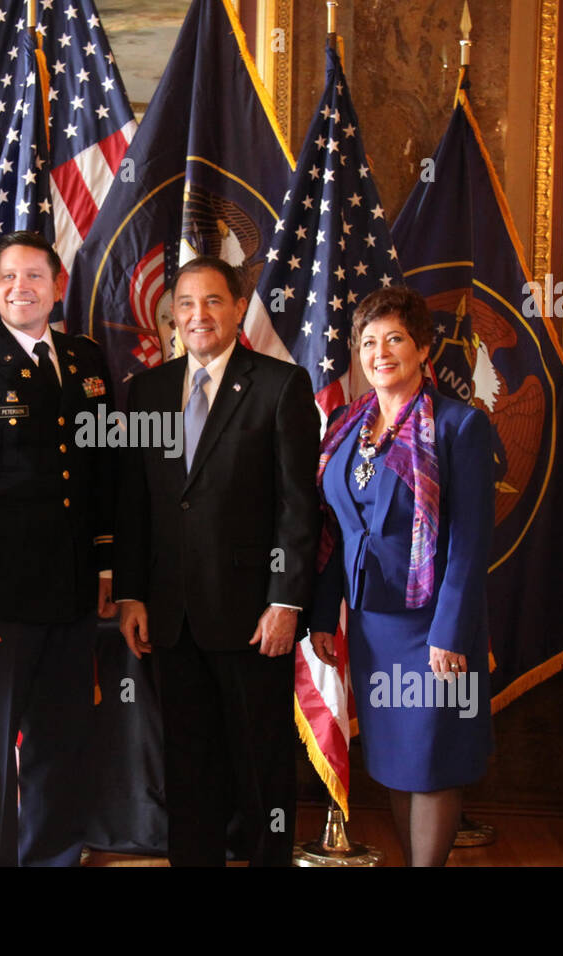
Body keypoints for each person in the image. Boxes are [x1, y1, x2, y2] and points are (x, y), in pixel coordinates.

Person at [115, 256, 320, 867]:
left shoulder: (281, 386)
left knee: (260, 769)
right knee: (188, 767)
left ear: (237, 308)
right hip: (171, 617)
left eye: (212, 302)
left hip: (253, 618)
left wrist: (285, 601)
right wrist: (131, 593)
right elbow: (135, 502)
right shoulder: (147, 390)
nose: (198, 315)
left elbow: (298, 508)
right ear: (171, 316)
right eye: (185, 304)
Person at [0, 231, 116, 867]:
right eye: (6, 278)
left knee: (61, 744)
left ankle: (53, 858)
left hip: (70, 591)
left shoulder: (87, 361)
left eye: (33, 276)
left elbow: (98, 471)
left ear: (57, 286)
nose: (19, 288)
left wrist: (106, 561)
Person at [308, 285, 494, 867]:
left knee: (433, 758)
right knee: (394, 759)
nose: (379, 352)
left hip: (433, 626)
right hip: (370, 625)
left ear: (422, 347)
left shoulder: (459, 426)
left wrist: (449, 632)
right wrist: (320, 616)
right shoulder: (346, 423)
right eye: (368, 341)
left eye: (394, 339)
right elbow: (335, 532)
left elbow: (469, 542)